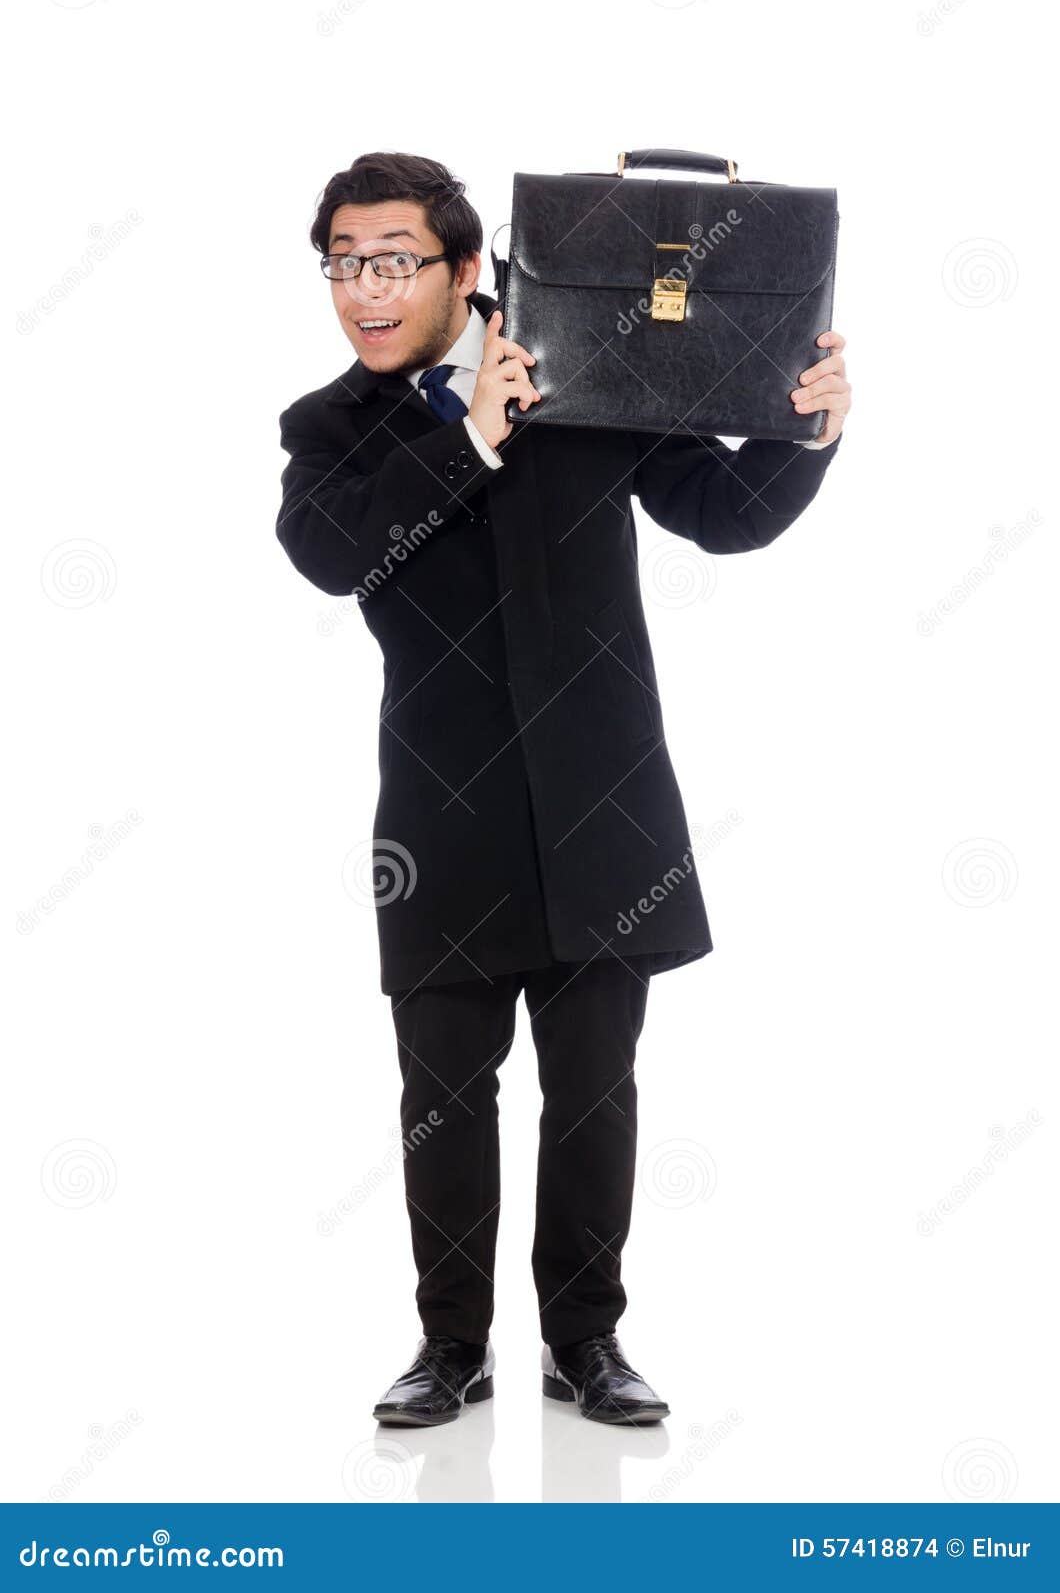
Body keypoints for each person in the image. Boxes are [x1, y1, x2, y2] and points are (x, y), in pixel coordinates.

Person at [275, 152, 852, 1427]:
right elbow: (327, 550)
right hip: (441, 822)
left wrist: (804, 425)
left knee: (595, 1087)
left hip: (603, 804)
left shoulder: (581, 362)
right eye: (344, 262)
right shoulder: (328, 428)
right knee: (442, 1095)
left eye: (394, 260)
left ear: (467, 270)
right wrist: (464, 432)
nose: (365, 289)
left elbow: (720, 507)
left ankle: (586, 1343)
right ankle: (449, 1346)